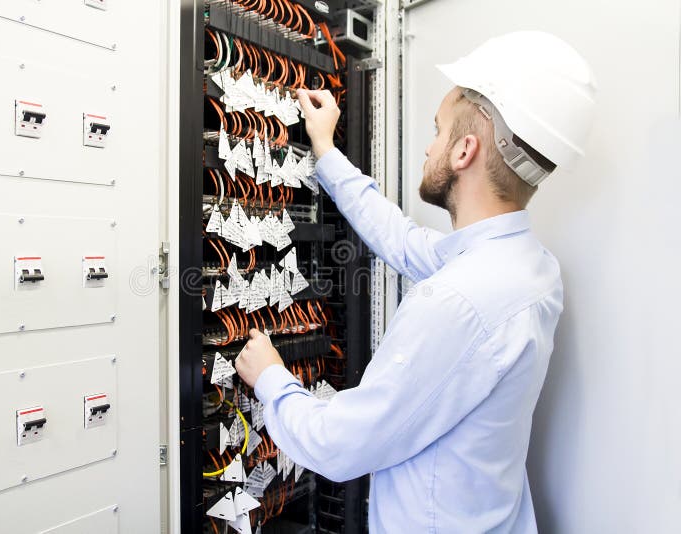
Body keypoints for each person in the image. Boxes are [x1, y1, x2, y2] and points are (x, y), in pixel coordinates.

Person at [235, 31, 596, 533]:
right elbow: (404, 241)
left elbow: (336, 446)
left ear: (464, 151)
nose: (428, 147)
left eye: (438, 131)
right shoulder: (531, 266)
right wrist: (327, 152)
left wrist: (271, 377)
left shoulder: (458, 301)